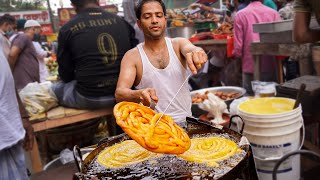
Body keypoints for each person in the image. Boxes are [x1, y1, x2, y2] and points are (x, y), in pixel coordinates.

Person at [115, 0, 208, 128]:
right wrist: (138, 94)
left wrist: (198, 52)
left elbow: (190, 49)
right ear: (139, 24)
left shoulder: (178, 44)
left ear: (165, 20)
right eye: (147, 17)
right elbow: (120, 93)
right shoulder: (132, 56)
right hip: (153, 128)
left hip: (186, 124)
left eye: (158, 15)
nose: (154, 20)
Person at [52, 0, 138, 109]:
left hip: (89, 97)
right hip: (126, 93)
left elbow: (66, 75)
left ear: (73, 5)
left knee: (56, 89)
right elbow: (137, 58)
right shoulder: (122, 22)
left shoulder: (67, 28)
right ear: (97, 1)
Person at [0, 14, 34, 180]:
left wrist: (22, 116)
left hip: (9, 133)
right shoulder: (21, 38)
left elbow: (6, 78)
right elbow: (12, 56)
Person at [234, 0, 281, 95]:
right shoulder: (273, 13)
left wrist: (238, 59)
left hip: (249, 64)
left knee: (250, 101)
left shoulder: (240, 15)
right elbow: (280, 40)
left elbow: (238, 47)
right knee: (271, 99)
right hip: (269, 64)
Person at [9, 20, 41, 90]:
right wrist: (11, 70)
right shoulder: (23, 37)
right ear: (33, 29)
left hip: (29, 82)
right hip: (25, 83)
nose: (39, 33)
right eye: (39, 30)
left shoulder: (27, 39)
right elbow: (12, 54)